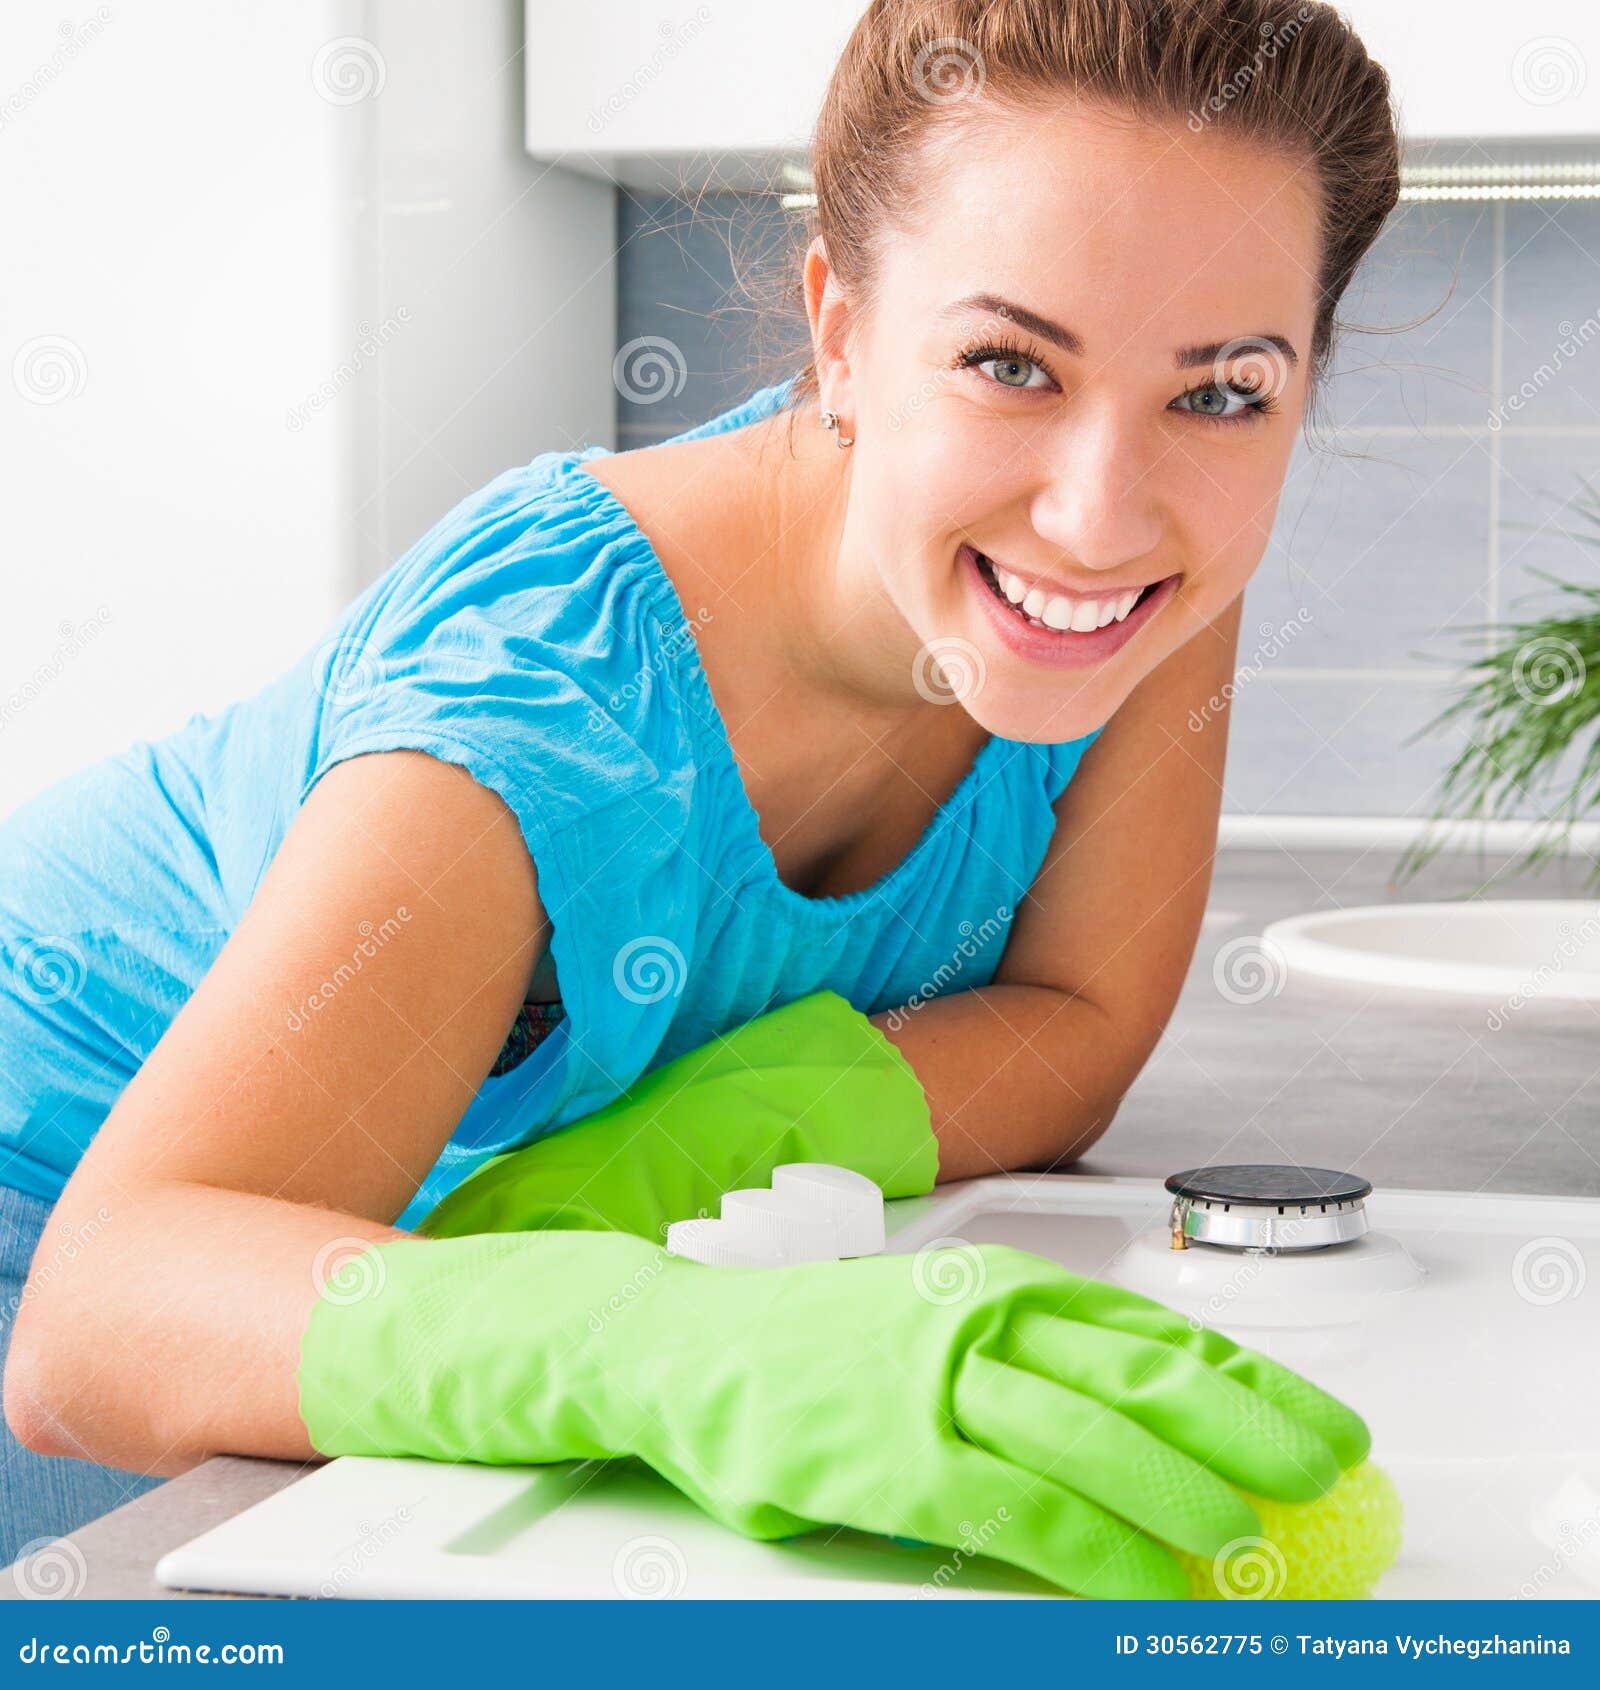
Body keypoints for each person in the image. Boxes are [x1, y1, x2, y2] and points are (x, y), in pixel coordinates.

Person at [1, 0, 1401, 1590]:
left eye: (1220, 391)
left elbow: (1078, 1017)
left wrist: (713, 1136)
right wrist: (667, 1340)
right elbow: (94, 1318)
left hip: (361, 1286)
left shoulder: (1139, 591)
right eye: (1010, 363)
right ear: (841, 334)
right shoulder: (545, 699)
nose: (1097, 510)